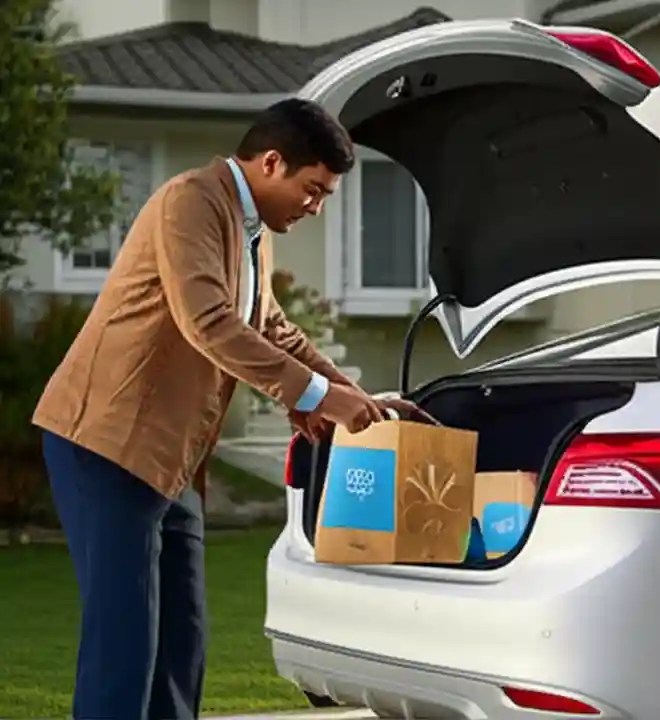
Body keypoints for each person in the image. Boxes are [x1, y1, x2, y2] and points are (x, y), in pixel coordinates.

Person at [31, 98, 427, 720]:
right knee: (125, 641)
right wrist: (318, 397)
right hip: (105, 444)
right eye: (313, 189)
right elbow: (208, 322)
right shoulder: (189, 202)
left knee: (182, 640)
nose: (317, 206)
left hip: (173, 458)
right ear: (271, 162)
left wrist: (352, 396)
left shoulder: (252, 233)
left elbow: (269, 327)